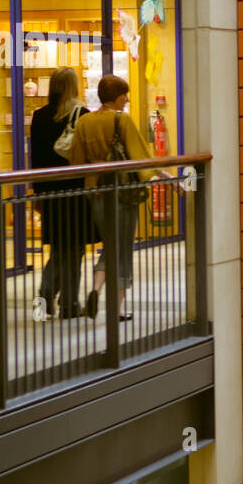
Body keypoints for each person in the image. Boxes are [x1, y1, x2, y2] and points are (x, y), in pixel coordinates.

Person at [69, 74, 160, 322]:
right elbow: (141, 158)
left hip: (95, 191)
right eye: (124, 95)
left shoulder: (85, 121)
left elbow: (76, 160)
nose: (127, 100)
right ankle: (115, 309)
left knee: (111, 243)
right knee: (123, 249)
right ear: (116, 97)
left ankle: (95, 290)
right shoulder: (122, 119)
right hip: (122, 192)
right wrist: (163, 176)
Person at [29, 67, 91, 319]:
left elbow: (36, 157)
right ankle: (67, 303)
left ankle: (46, 299)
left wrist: (37, 192)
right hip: (75, 190)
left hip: (49, 190)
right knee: (74, 248)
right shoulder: (82, 115)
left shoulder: (40, 116)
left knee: (58, 247)